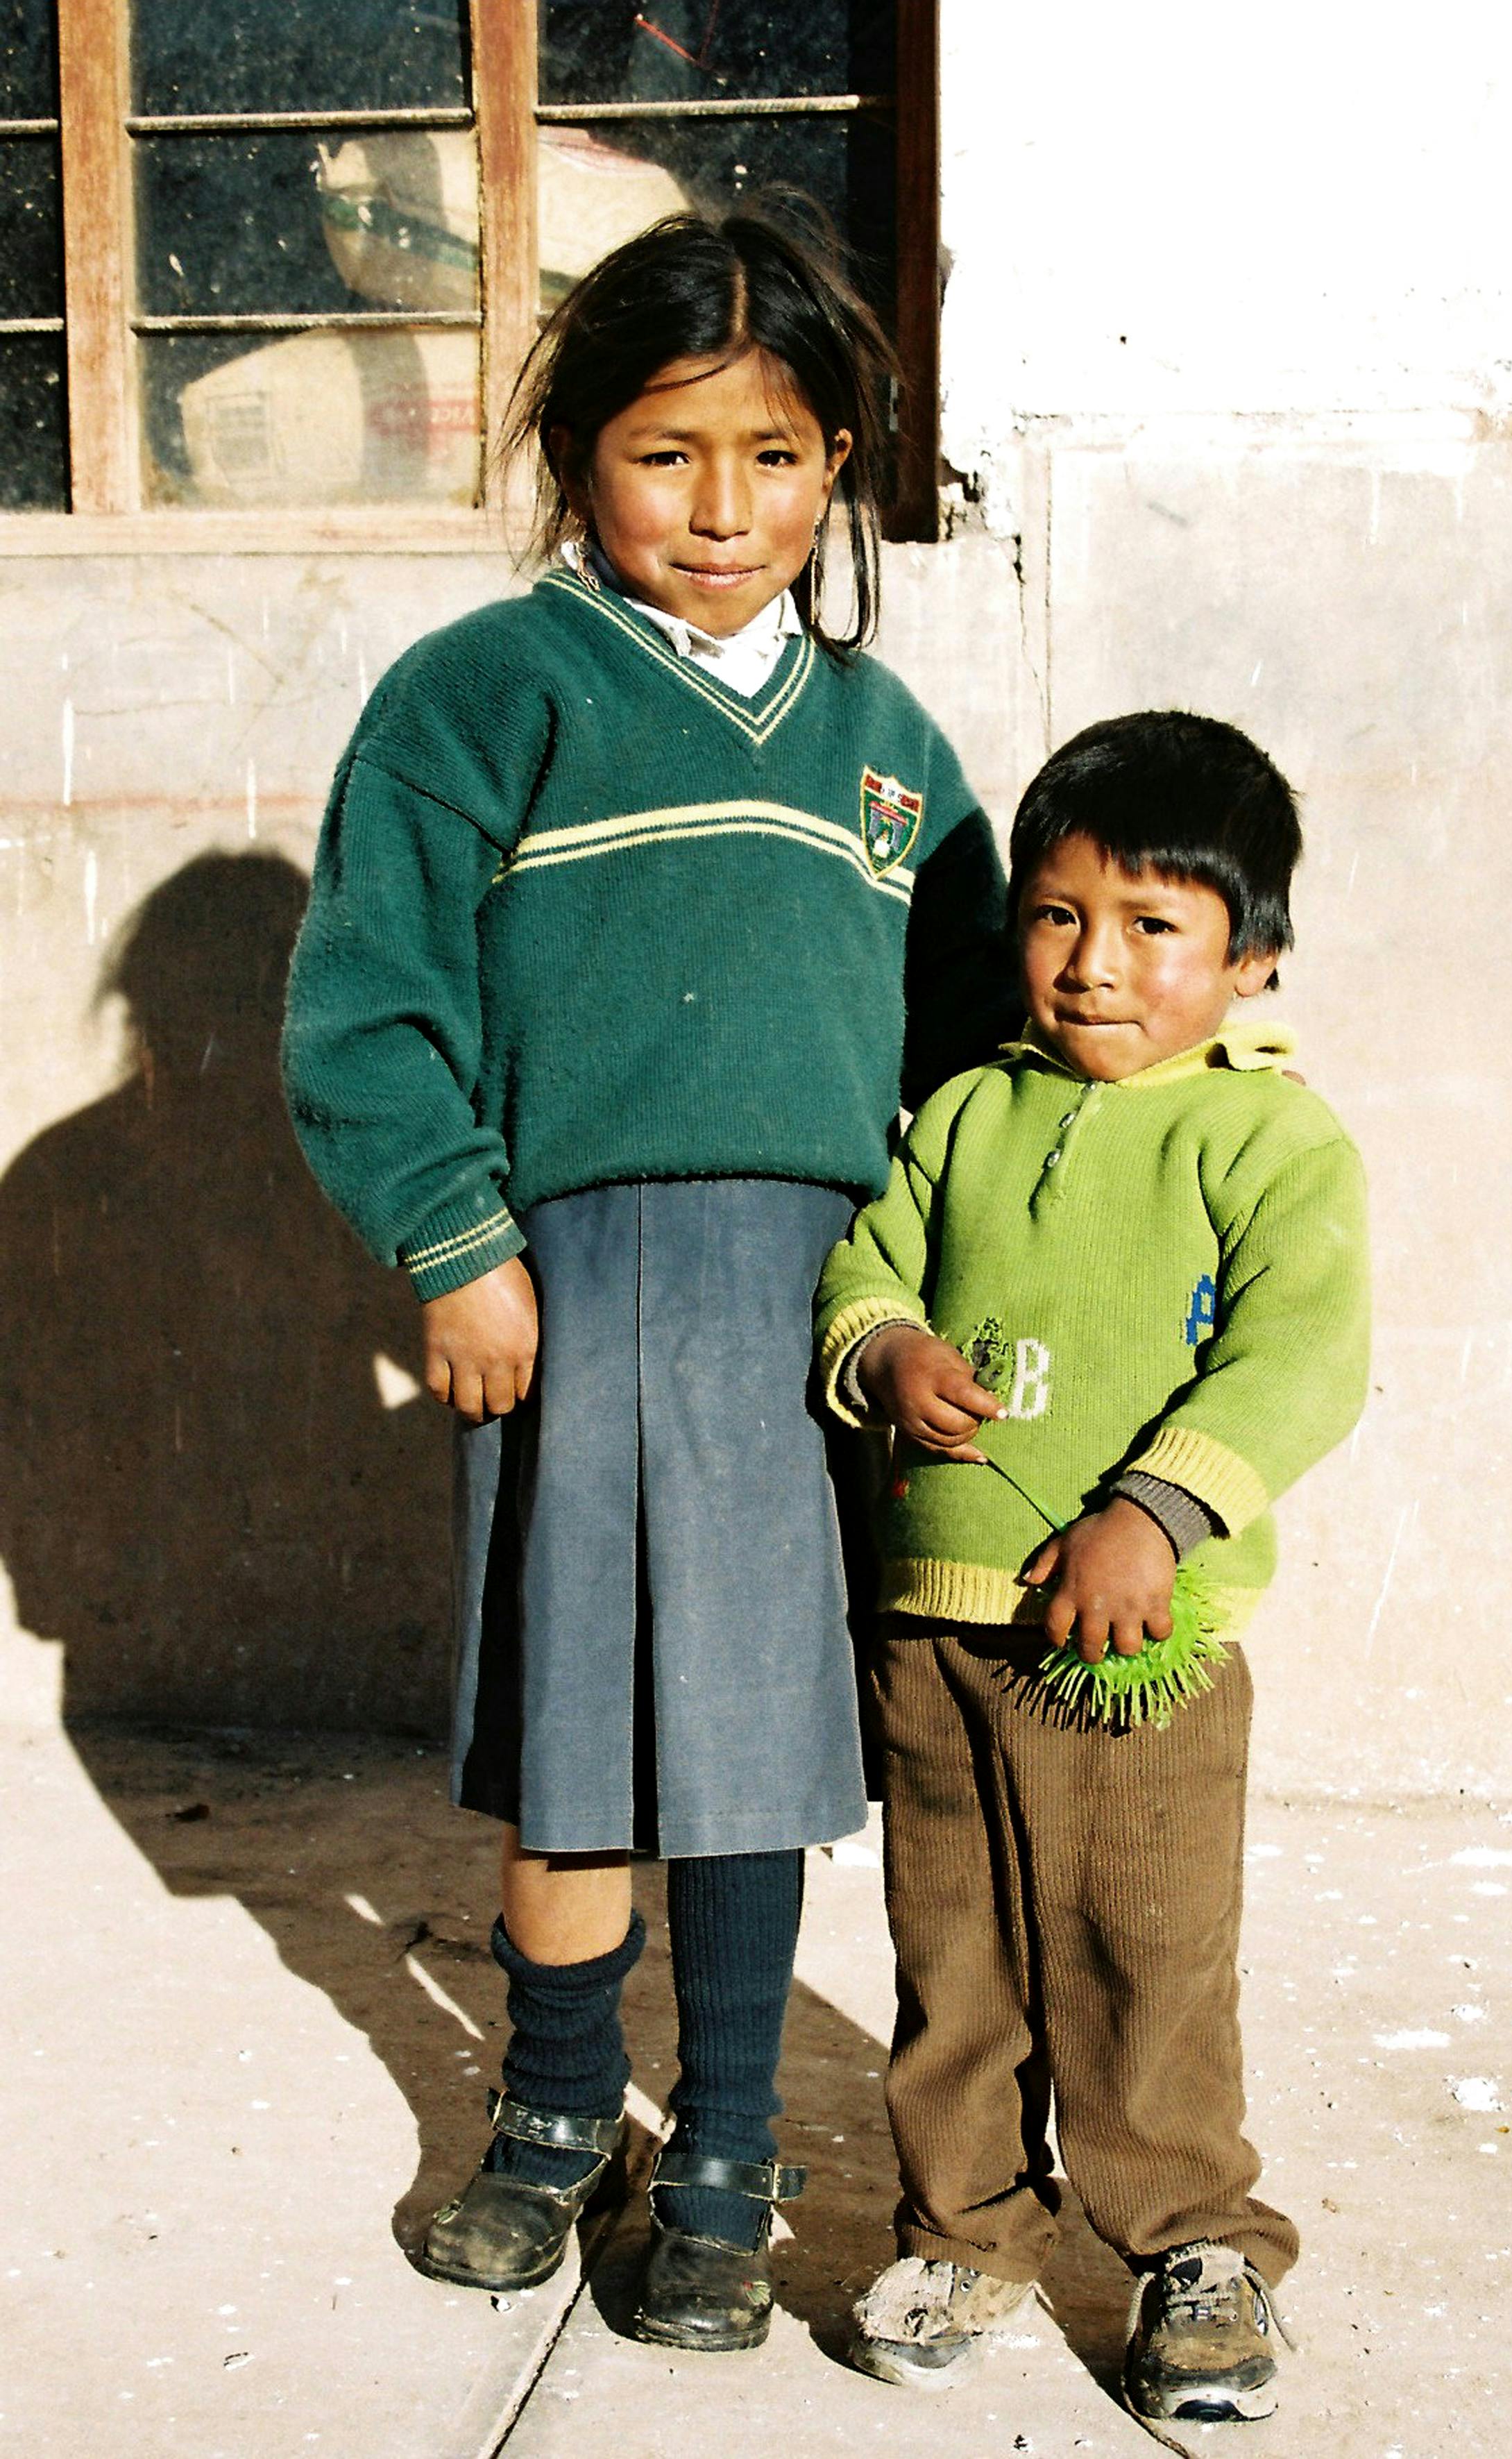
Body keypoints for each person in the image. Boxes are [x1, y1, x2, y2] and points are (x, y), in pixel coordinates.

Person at [280, 210, 1011, 2351]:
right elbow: (370, 1003)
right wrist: (457, 1244)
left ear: (847, 458)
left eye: (777, 457)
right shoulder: (484, 692)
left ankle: (719, 2150)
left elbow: (978, 1044)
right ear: (576, 453)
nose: (726, 512)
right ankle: (556, 2106)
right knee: (577, 1733)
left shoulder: (882, 743)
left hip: (807, 1313)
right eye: (667, 454)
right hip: (568, 1294)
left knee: (750, 1741)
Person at [813, 711, 1370, 2428]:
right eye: (1056, 916)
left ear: (1248, 958)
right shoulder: (966, 1111)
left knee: (1143, 1952)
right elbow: (866, 1263)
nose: (1094, 965)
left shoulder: (1270, 1144)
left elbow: (1299, 1359)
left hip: (1141, 1646)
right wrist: (886, 1347)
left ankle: (1193, 2245)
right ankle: (964, 2225)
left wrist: (1153, 1511)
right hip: (937, 1627)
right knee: (956, 1953)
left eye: (1151, 927)